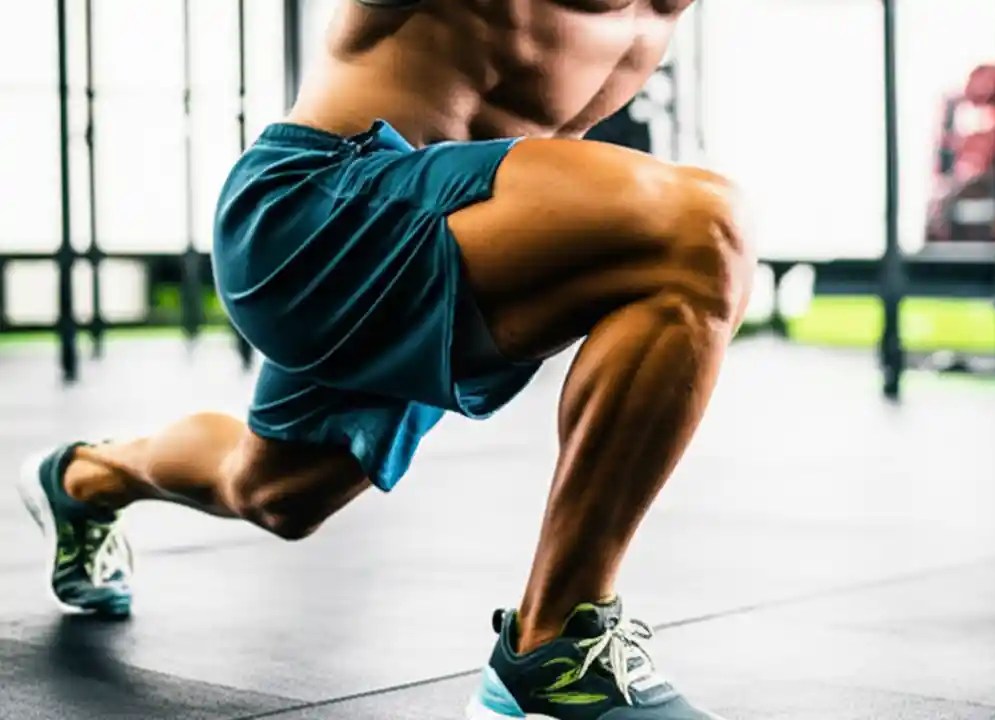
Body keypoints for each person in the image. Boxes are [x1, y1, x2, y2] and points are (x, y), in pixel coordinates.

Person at [17, 1, 754, 718]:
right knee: (703, 227)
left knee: (276, 493)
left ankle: (86, 477)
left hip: (462, 236)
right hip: (320, 214)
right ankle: (554, 649)